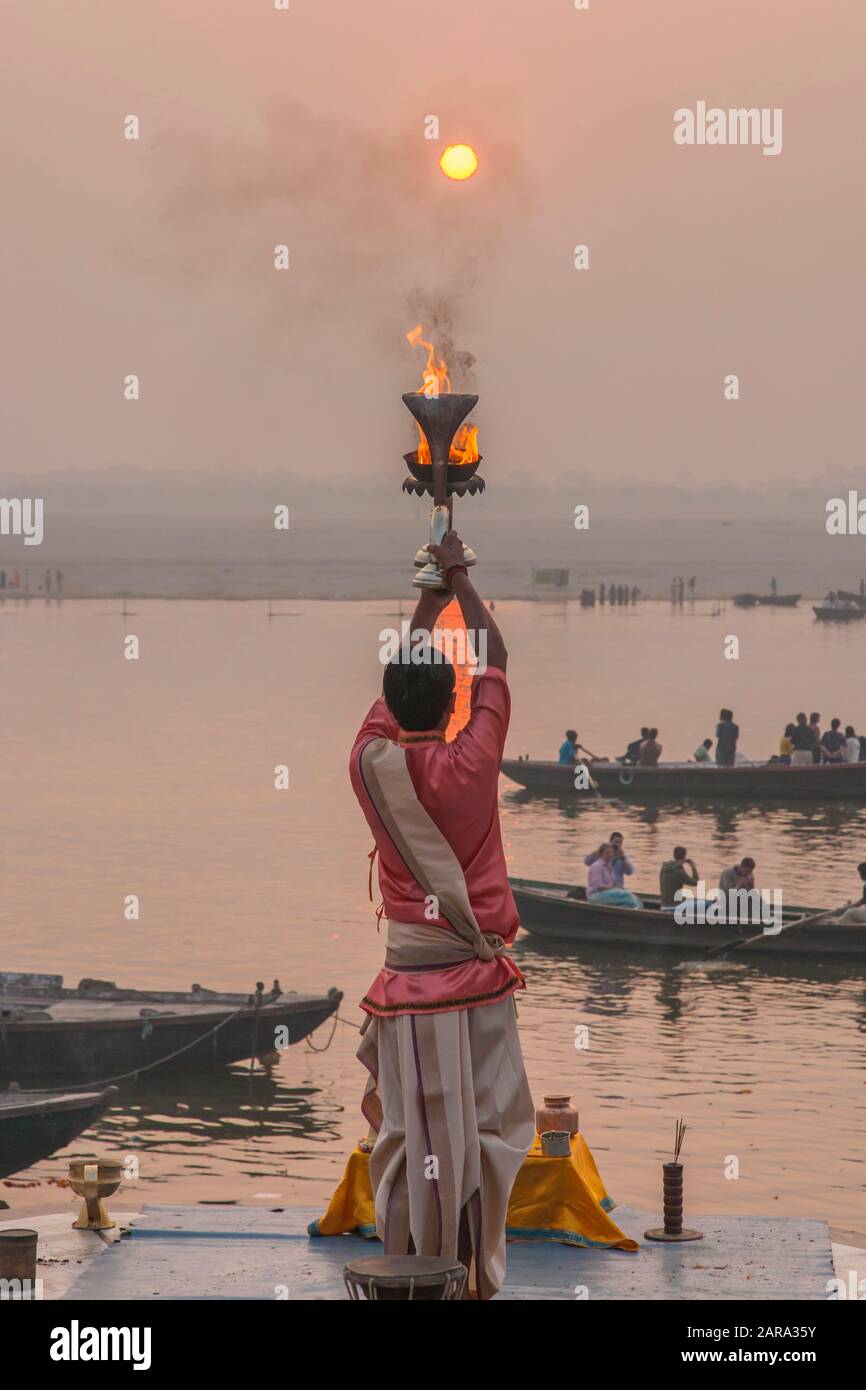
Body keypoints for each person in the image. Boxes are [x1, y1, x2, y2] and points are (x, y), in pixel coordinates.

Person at [349, 528, 534, 1300]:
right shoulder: (476, 760)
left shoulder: (370, 761)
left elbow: (400, 688)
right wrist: (457, 576)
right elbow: (493, 654)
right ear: (455, 702)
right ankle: (466, 1282)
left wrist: (426, 593)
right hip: (476, 981)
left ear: (388, 707)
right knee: (483, 1137)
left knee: (405, 1138)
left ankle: (408, 1279)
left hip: (407, 980)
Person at [586, 843, 642, 908]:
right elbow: (598, 887)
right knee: (626, 895)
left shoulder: (609, 867)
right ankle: (637, 911)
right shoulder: (597, 866)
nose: (610, 855)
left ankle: (630, 911)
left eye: (611, 853)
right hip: (594, 895)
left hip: (607, 893)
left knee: (635, 898)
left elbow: (629, 872)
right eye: (607, 853)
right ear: (601, 854)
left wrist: (619, 888)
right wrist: (615, 888)